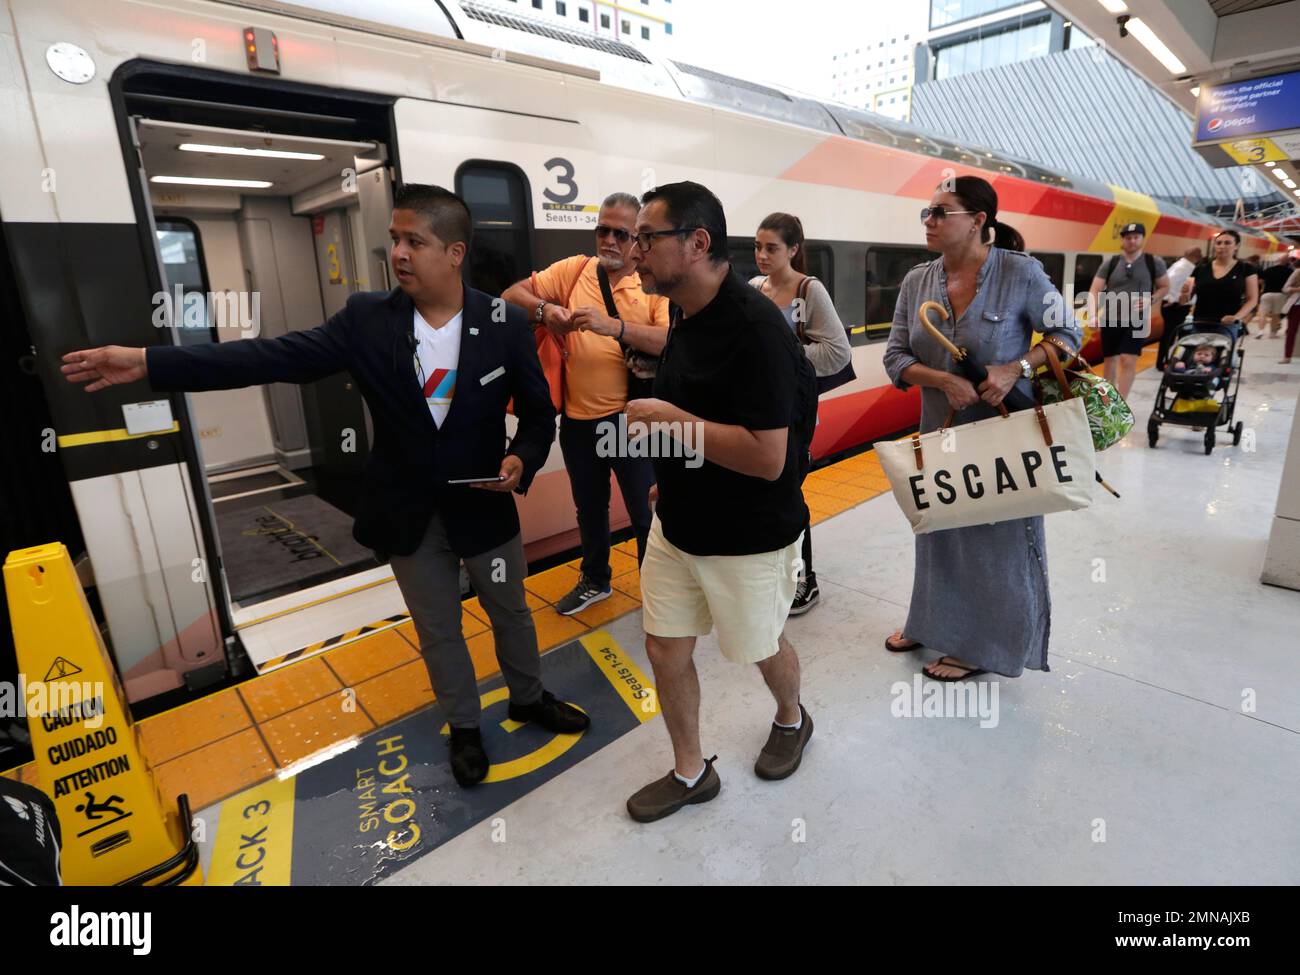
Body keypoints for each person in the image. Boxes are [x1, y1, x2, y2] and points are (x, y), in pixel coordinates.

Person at [60, 184, 589, 788]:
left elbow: (541, 414)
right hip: (408, 517)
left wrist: (522, 457)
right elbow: (270, 357)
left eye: (414, 241)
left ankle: (527, 698)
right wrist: (152, 363)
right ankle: (465, 728)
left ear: (454, 252)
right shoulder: (367, 320)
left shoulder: (503, 323)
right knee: (438, 628)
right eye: (394, 240)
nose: (399, 253)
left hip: (484, 507)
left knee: (512, 613)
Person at [621, 181, 818, 823]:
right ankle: (690, 771)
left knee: (761, 645)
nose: (634, 252)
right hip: (677, 525)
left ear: (697, 243)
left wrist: (673, 423)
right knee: (664, 647)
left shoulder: (757, 329)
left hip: (749, 534)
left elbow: (767, 458)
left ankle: (791, 718)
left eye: (647, 238)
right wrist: (671, 475)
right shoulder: (683, 310)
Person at [882, 175, 1082, 681]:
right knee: (938, 532)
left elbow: (1068, 335)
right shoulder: (916, 281)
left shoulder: (1022, 274)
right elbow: (895, 357)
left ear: (977, 221)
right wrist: (943, 381)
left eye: (939, 212)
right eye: (926, 213)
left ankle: (980, 646)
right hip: (940, 432)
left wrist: (1015, 367)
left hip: (1002, 436)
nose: (928, 221)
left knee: (996, 538)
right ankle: (929, 623)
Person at [502, 193, 670, 615]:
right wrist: (543, 310)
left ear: (639, 241)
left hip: (631, 422)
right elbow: (509, 297)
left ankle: (660, 593)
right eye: (602, 230)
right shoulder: (574, 271)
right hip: (577, 422)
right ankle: (596, 580)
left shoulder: (650, 285)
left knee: (645, 512)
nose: (609, 240)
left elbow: (671, 341)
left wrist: (612, 326)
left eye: (621, 233)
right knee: (589, 510)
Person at [750, 212, 852, 616]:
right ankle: (773, 575)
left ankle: (804, 581)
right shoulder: (755, 289)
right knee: (766, 495)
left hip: (793, 413)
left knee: (788, 495)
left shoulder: (809, 290)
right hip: (760, 409)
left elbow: (836, 352)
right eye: (758, 247)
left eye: (771, 248)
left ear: (793, 250)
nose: (761, 255)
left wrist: (781, 357)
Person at [1088, 222, 1168, 400]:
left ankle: (1121, 402)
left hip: (1137, 320)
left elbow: (1164, 287)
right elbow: (1095, 290)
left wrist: (1150, 299)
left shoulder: (1153, 262)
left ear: (1142, 239)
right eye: (1128, 237)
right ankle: (1108, 400)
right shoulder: (1112, 263)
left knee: (1128, 359)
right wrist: (1093, 315)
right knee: (1110, 361)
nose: (1132, 241)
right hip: (1110, 318)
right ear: (1123, 240)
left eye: (1135, 237)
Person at [1180, 229, 1259, 330]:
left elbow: (1252, 299)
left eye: (1227, 243)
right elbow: (1184, 301)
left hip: (1228, 325)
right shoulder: (1201, 268)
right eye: (1218, 243)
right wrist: (1183, 294)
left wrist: (1236, 317)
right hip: (1200, 321)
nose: (1222, 246)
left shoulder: (1246, 269)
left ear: (1236, 246)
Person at [1157, 246, 1202, 370]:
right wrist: (1171, 298)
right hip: (1175, 306)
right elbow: (1168, 283)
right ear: (1196, 257)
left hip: (1176, 305)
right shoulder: (1184, 267)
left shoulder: (1181, 264)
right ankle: (1163, 362)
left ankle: (1167, 360)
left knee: (1171, 334)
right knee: (1171, 335)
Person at [1257, 256, 1295, 339]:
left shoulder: (1269, 269)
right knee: (1276, 315)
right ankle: (1272, 333)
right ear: (1286, 262)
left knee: (1263, 314)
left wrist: (1264, 286)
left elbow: (1260, 281)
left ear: (1277, 261)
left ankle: (1260, 332)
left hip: (1266, 294)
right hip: (1280, 295)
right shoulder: (1289, 271)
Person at [1281, 261, 1300, 365]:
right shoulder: (1297, 272)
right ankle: (1287, 356)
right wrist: (1298, 289)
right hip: (1296, 306)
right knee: (1291, 332)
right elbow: (1285, 288)